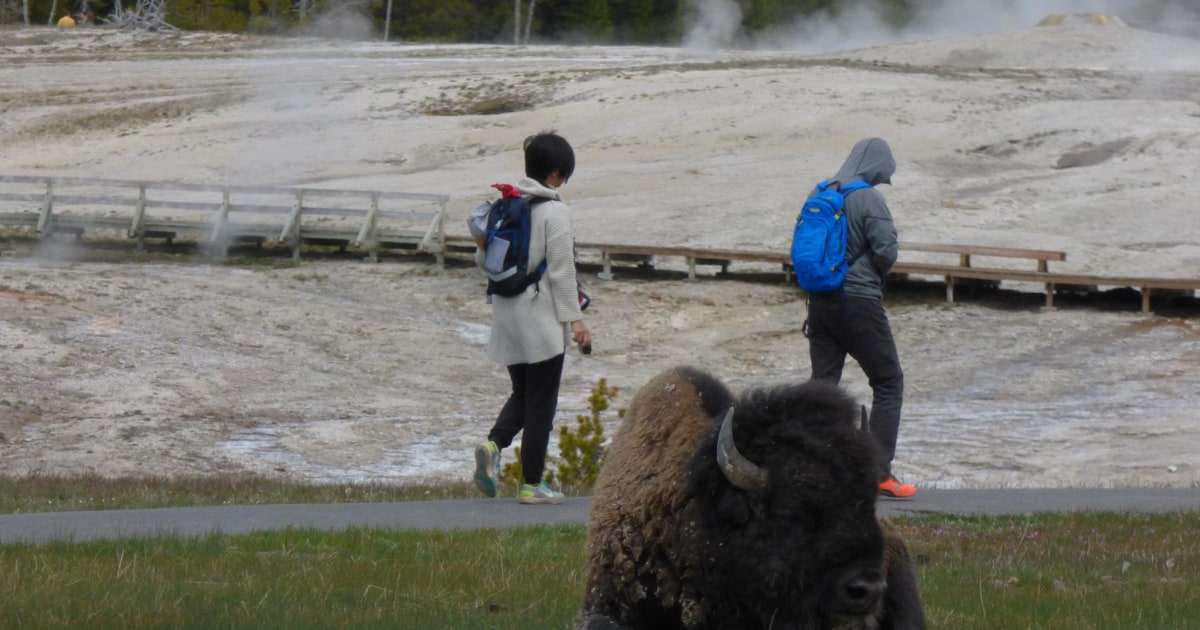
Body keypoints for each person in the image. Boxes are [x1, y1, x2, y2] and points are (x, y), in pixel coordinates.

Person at [472, 131, 591, 505]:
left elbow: (483, 262)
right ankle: (531, 484)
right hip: (540, 321)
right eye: (565, 174)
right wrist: (576, 321)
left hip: (507, 315)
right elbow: (562, 272)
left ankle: (494, 445)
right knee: (541, 403)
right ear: (555, 174)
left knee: (523, 395)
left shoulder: (506, 207)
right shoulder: (555, 213)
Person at [802, 137, 915, 498]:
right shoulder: (867, 197)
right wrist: (874, 273)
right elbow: (887, 249)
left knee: (823, 386)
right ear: (875, 165)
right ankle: (878, 473)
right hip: (859, 303)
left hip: (819, 303)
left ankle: (814, 471)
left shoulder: (820, 192)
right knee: (888, 381)